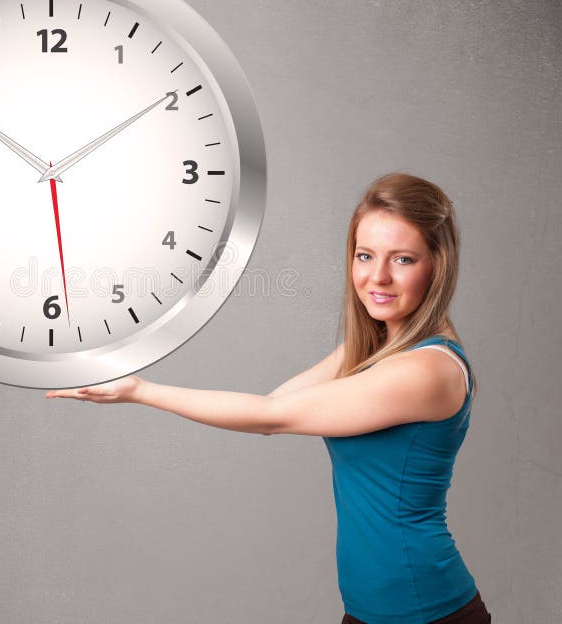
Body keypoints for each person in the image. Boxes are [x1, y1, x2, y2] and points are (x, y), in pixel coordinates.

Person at [46, 173, 492, 624]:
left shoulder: (425, 369)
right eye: (364, 255)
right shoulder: (381, 348)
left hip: (427, 613)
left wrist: (141, 391)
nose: (377, 276)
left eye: (402, 259)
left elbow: (271, 417)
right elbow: (274, 404)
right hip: (369, 612)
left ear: (437, 264)